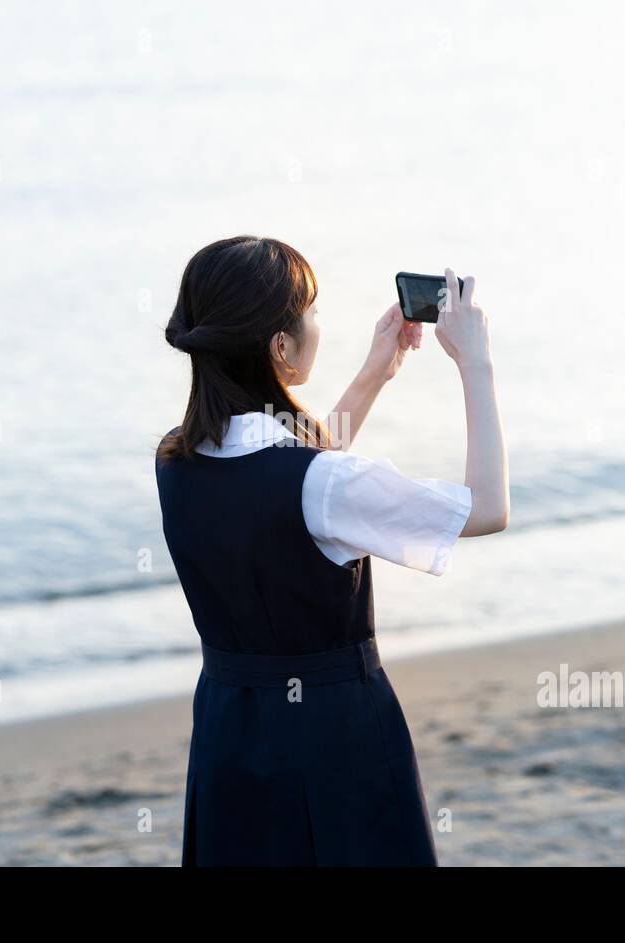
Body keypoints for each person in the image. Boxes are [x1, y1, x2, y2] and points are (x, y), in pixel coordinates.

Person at [155, 235, 508, 865]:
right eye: (310, 313)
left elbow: (290, 477)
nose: (319, 324)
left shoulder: (178, 457)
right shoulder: (321, 483)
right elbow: (486, 509)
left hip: (229, 733)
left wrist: (377, 371)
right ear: (280, 346)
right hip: (336, 739)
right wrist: (475, 365)